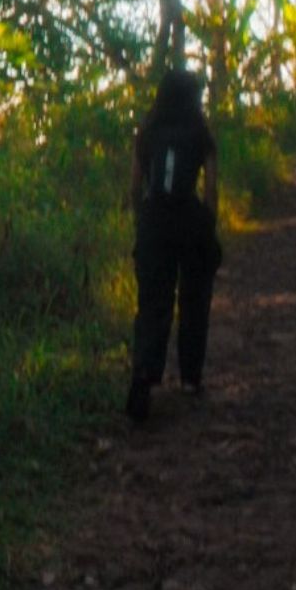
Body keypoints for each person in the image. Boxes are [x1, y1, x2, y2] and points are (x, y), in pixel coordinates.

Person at [126, 66, 222, 423]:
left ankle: (143, 376)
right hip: (189, 218)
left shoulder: (146, 131)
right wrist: (209, 227)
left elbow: (135, 187)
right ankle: (190, 378)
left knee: (153, 301)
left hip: (154, 219)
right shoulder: (201, 133)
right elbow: (210, 188)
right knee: (195, 298)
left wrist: (143, 220)